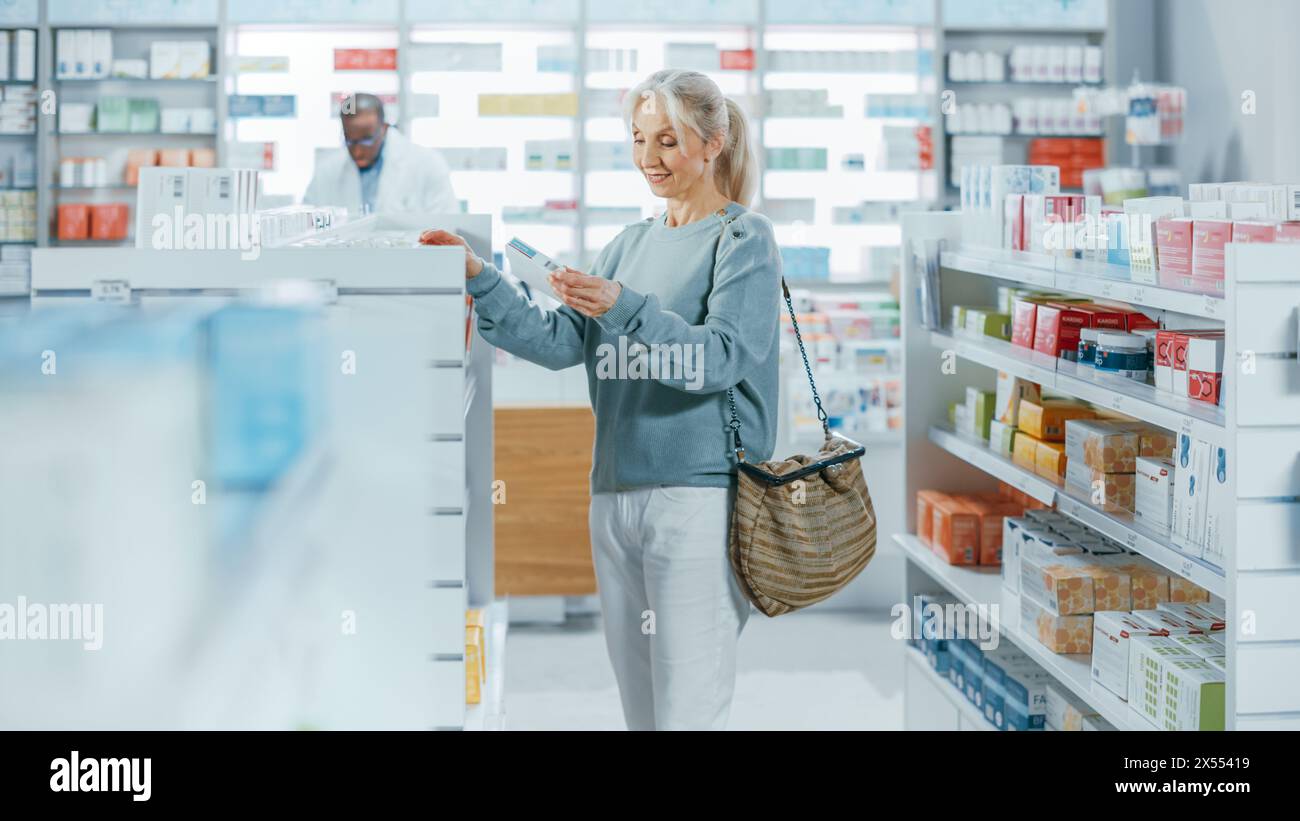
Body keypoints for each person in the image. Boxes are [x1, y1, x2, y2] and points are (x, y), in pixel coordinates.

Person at [421, 70, 781, 730]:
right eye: (639, 139)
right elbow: (562, 343)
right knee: (642, 711)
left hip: (697, 498)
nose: (649, 159)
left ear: (714, 142)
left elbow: (721, 356)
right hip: (614, 494)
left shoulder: (744, 239)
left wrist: (627, 306)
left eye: (668, 141)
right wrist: (483, 278)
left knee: (689, 709)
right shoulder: (628, 244)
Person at [304, 92, 458, 217]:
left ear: (384, 128)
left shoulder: (427, 164)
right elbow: (305, 227)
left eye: (366, 140)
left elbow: (446, 230)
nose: (357, 151)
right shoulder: (327, 171)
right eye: (350, 141)